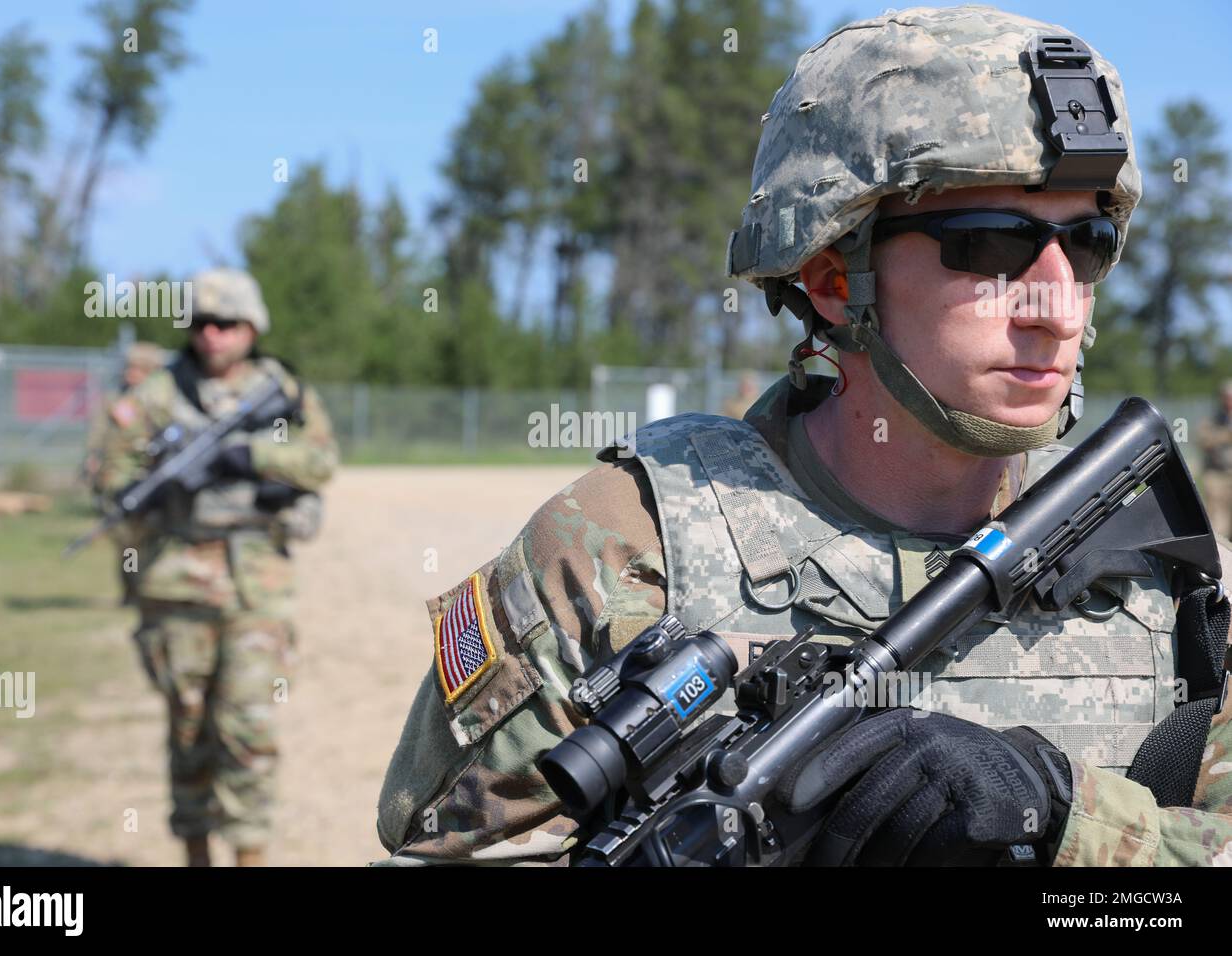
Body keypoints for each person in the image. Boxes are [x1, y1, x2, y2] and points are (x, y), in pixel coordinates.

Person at [376, 5, 1232, 866]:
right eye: (993, 245)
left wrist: (1066, 822)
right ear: (832, 278)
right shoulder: (621, 546)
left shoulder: (1175, 574)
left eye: (1085, 242)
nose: (1057, 305)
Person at [95, 268, 338, 866]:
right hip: (177, 586)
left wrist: (247, 455)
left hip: (257, 588)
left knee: (249, 732)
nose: (212, 336)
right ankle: (196, 856)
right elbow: (112, 481)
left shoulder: (282, 389)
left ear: (252, 326)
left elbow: (321, 461)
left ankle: (250, 857)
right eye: (200, 323)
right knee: (188, 731)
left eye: (226, 324)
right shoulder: (156, 396)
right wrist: (154, 497)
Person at [83, 341, 167, 605]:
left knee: (141, 541)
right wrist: (93, 459)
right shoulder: (116, 399)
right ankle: (132, 591)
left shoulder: (159, 401)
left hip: (142, 481)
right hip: (114, 481)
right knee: (125, 542)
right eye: (129, 367)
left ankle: (144, 589)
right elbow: (101, 436)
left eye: (137, 368)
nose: (130, 372)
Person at [1198, 381, 1232, 538]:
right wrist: (1224, 435)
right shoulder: (1213, 420)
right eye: (1227, 397)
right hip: (1217, 476)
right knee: (1219, 525)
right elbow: (1203, 440)